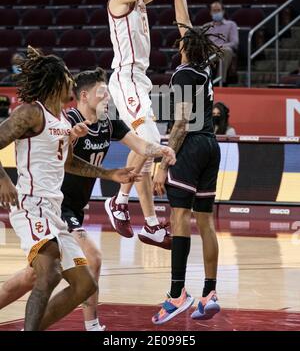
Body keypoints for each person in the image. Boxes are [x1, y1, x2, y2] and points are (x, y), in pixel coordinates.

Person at [0, 67, 176, 330]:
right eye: (66, 80)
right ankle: (80, 325)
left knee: (60, 280)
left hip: (58, 207)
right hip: (38, 206)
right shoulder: (44, 115)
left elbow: (71, 162)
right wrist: (3, 180)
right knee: (60, 269)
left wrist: (115, 171)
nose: (70, 84)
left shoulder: (72, 121)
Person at [101, 0, 185, 249]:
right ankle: (119, 201)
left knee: (145, 147)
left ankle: (149, 224)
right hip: (125, 80)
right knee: (149, 141)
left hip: (140, 79)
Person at [152, 0, 223, 324]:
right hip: (213, 146)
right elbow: (185, 23)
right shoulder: (204, 67)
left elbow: (181, 122)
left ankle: (177, 292)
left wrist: (163, 161)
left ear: (183, 48)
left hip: (192, 146)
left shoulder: (182, 75)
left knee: (178, 215)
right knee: (206, 221)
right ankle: (210, 291)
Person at [206, 2, 238, 85]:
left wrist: (219, 46)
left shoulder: (231, 24)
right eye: (214, 11)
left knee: (227, 51)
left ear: (223, 11)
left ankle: (221, 81)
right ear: (210, 12)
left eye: (218, 10)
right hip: (210, 50)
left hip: (223, 49)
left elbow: (234, 42)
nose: (216, 12)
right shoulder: (206, 26)